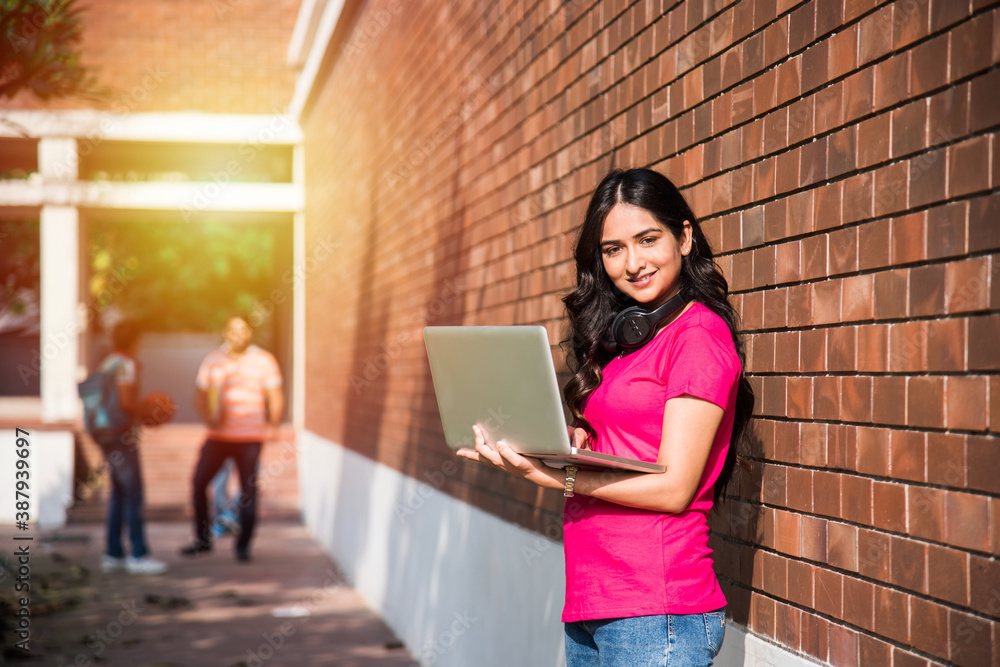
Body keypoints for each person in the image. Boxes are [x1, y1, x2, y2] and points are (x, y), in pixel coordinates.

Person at [457, 168, 754, 666]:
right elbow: (632, 444)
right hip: (596, 597)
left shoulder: (697, 337)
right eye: (614, 249)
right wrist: (580, 445)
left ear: (684, 237)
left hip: (656, 606)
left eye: (647, 239)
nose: (632, 263)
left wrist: (562, 477)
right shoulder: (626, 343)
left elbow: (673, 488)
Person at [181, 313, 283, 562]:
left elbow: (275, 395)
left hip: (249, 437)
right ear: (225, 332)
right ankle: (203, 540)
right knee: (198, 483)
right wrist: (209, 417)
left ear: (250, 332)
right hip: (218, 436)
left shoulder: (264, 360)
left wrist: (273, 424)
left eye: (243, 329)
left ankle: (243, 546)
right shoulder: (213, 361)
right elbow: (200, 395)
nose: (239, 334)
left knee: (248, 491)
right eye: (233, 329)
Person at [95, 320, 171, 575]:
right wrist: (151, 411)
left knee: (118, 494)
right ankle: (139, 554)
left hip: (105, 436)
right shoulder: (126, 365)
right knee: (134, 494)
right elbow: (127, 403)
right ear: (135, 340)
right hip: (122, 437)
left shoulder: (107, 363)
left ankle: (113, 552)